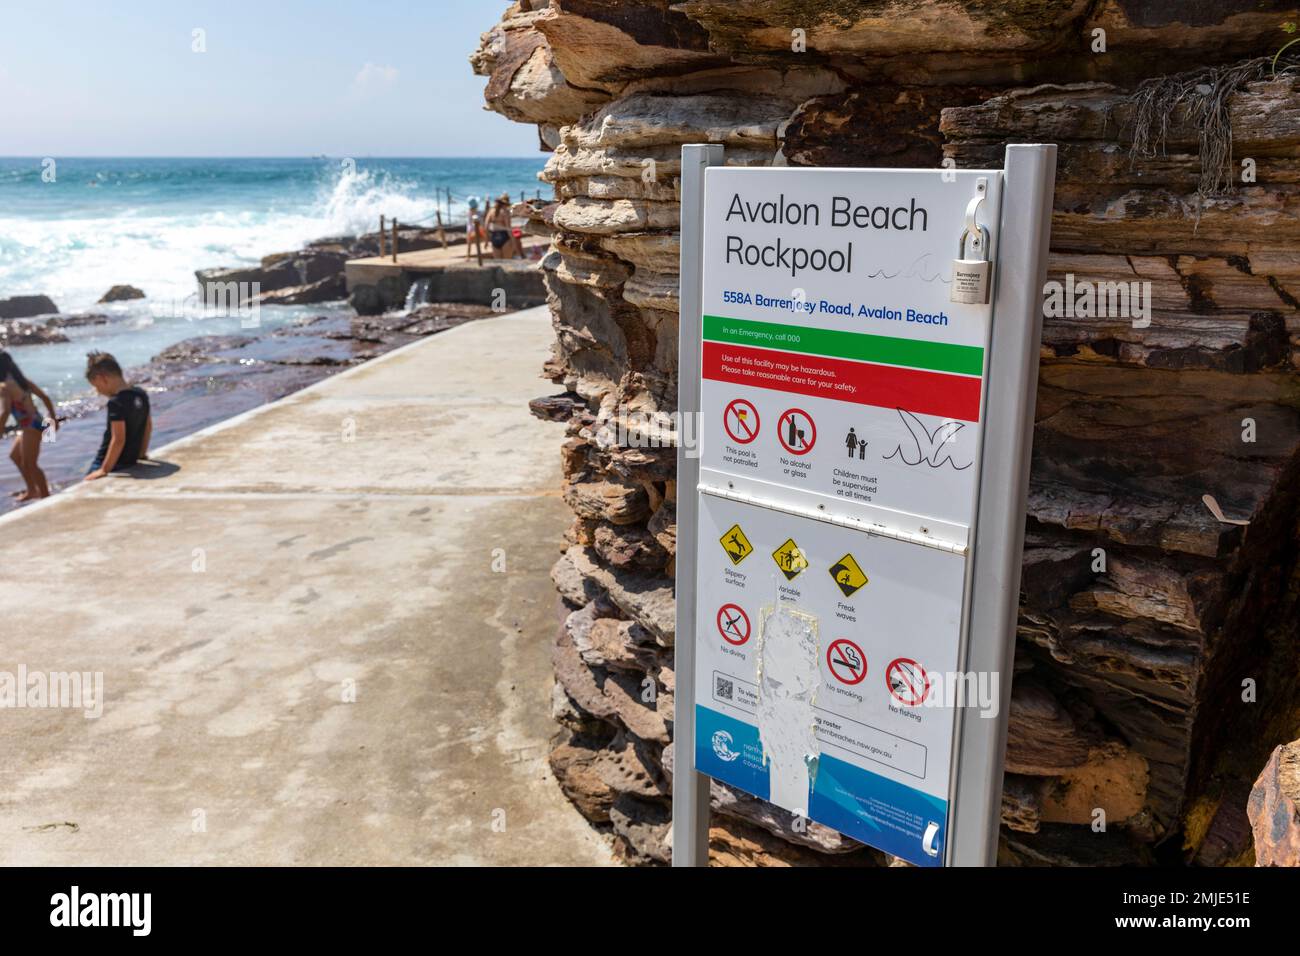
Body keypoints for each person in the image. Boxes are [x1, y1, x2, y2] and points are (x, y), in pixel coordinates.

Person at [83, 351, 151, 481]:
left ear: (102, 378)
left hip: (111, 462)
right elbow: (147, 426)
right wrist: (141, 454)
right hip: (129, 460)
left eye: (96, 387)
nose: (98, 392)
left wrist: (104, 469)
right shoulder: (140, 394)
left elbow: (118, 439)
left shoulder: (116, 402)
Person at [0, 350, 57, 500]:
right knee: (15, 456)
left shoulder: (4, 386)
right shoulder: (22, 381)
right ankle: (32, 490)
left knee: (31, 464)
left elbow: (5, 412)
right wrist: (53, 419)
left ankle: (45, 496)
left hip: (30, 426)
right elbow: (45, 397)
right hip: (36, 422)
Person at [486, 193, 512, 259]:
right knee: (507, 262)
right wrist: (513, 241)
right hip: (504, 236)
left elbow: (486, 226)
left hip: (494, 236)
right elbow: (508, 228)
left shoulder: (491, 211)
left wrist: (486, 240)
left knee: (498, 262)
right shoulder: (505, 212)